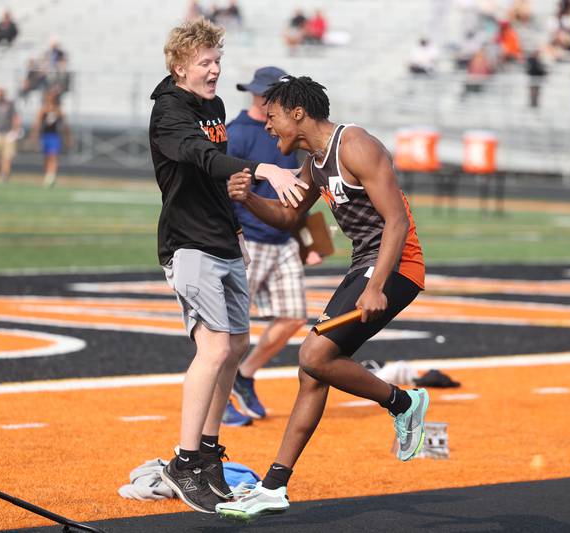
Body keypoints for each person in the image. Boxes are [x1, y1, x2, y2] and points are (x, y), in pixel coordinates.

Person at [215, 76, 429, 521]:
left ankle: (403, 403)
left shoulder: (355, 144)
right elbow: (289, 218)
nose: (267, 126)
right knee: (312, 370)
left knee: (313, 353)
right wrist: (249, 199)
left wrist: (375, 287)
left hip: (396, 266)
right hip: (366, 265)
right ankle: (274, 486)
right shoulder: (314, 162)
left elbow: (396, 223)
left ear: (297, 112)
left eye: (271, 116)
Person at [148, 18, 308, 515]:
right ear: (180, 67)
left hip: (222, 239)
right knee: (214, 347)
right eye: (205, 63)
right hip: (188, 243)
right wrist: (258, 167)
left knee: (236, 344)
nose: (215, 70)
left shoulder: (214, 106)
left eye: (217, 60)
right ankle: (184, 458)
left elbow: (215, 176)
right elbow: (200, 157)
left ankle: (208, 453)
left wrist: (235, 228)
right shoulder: (169, 110)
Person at [222, 66, 313, 427]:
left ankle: (243, 375)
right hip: (249, 240)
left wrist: (309, 243)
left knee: (294, 316)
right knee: (228, 329)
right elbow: (225, 190)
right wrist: (230, 237)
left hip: (282, 240)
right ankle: (221, 394)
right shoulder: (238, 133)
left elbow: (298, 193)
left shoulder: (287, 134)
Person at [31, 90, 70, 187]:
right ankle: (47, 174)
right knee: (46, 157)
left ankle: (51, 176)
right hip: (45, 136)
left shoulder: (58, 110)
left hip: (54, 136)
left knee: (53, 156)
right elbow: (38, 123)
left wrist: (67, 137)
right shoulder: (44, 110)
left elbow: (65, 125)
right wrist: (35, 136)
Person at [0, 87, 20, 183]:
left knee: (7, 156)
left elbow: (15, 118)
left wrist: (14, 131)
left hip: (7, 133)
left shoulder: (9, 105)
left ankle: (5, 175)